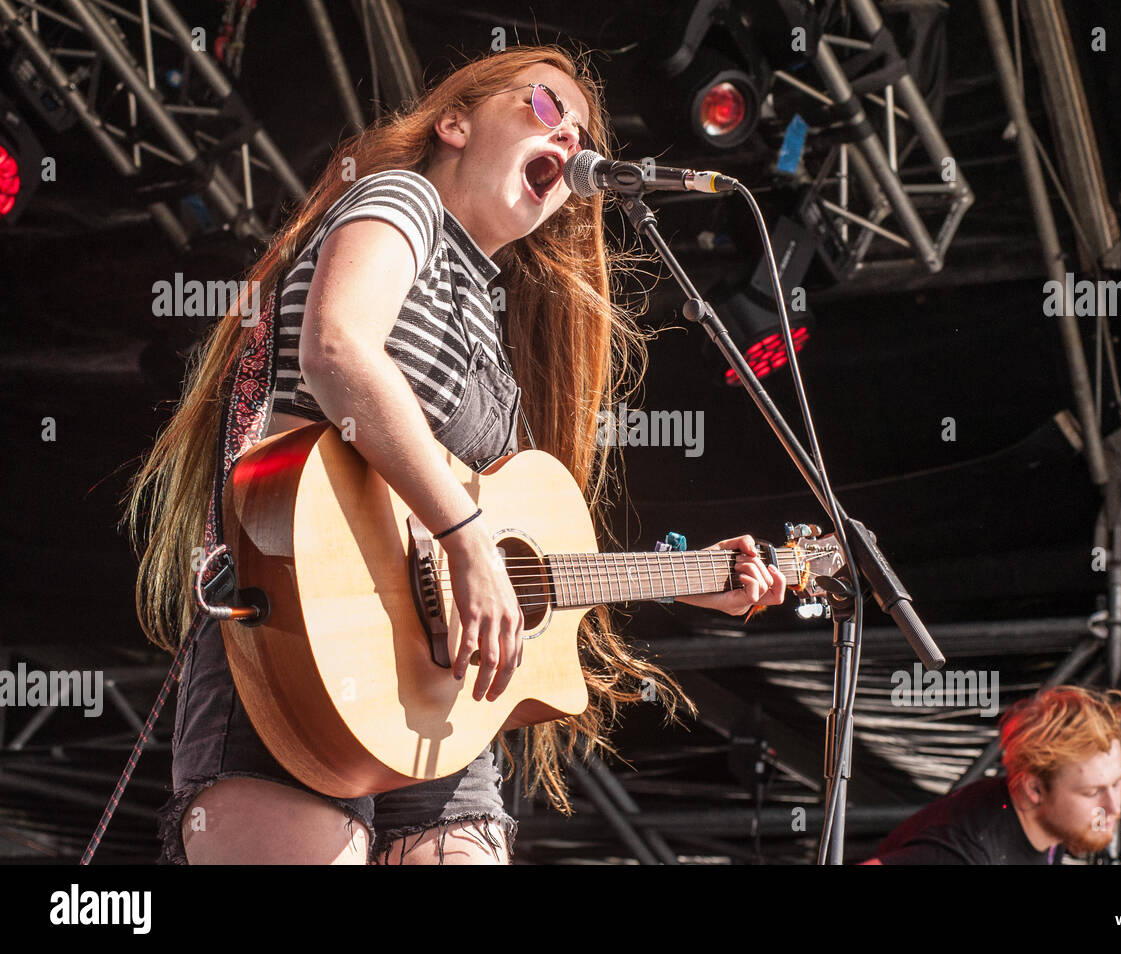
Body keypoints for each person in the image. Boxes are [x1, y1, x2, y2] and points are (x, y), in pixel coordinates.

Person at [124, 45, 786, 865]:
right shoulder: (398, 200)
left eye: (582, 138)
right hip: (301, 645)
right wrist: (467, 537)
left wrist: (693, 580)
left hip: (434, 706)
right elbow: (338, 349)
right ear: (455, 123)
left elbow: (513, 570)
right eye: (546, 110)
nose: (570, 143)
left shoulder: (491, 326)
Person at [864, 686, 1121, 864]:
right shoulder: (962, 852)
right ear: (1035, 789)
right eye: (1092, 792)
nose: (1113, 806)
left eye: (1117, 782)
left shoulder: (1046, 824)